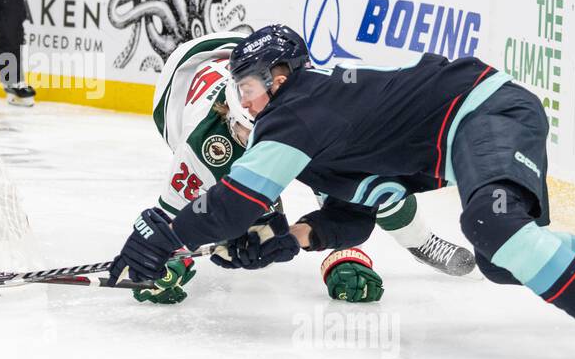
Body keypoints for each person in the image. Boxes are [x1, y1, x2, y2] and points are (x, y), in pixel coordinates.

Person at [111, 25, 575, 359]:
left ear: (279, 77)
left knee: (491, 227)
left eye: (250, 86)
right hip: (481, 125)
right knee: (504, 260)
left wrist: (170, 235)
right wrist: (287, 238)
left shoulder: (297, 111)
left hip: (485, 110)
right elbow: (353, 217)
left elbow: (237, 202)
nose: (246, 100)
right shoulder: (316, 124)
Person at [127, 31, 476, 305]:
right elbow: (175, 218)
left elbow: (351, 197)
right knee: (246, 206)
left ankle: (422, 241)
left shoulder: (308, 114)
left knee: (365, 179)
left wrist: (345, 257)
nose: (268, 144)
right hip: (181, 75)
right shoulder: (206, 144)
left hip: (239, 61)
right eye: (252, 132)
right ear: (233, 114)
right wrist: (170, 257)